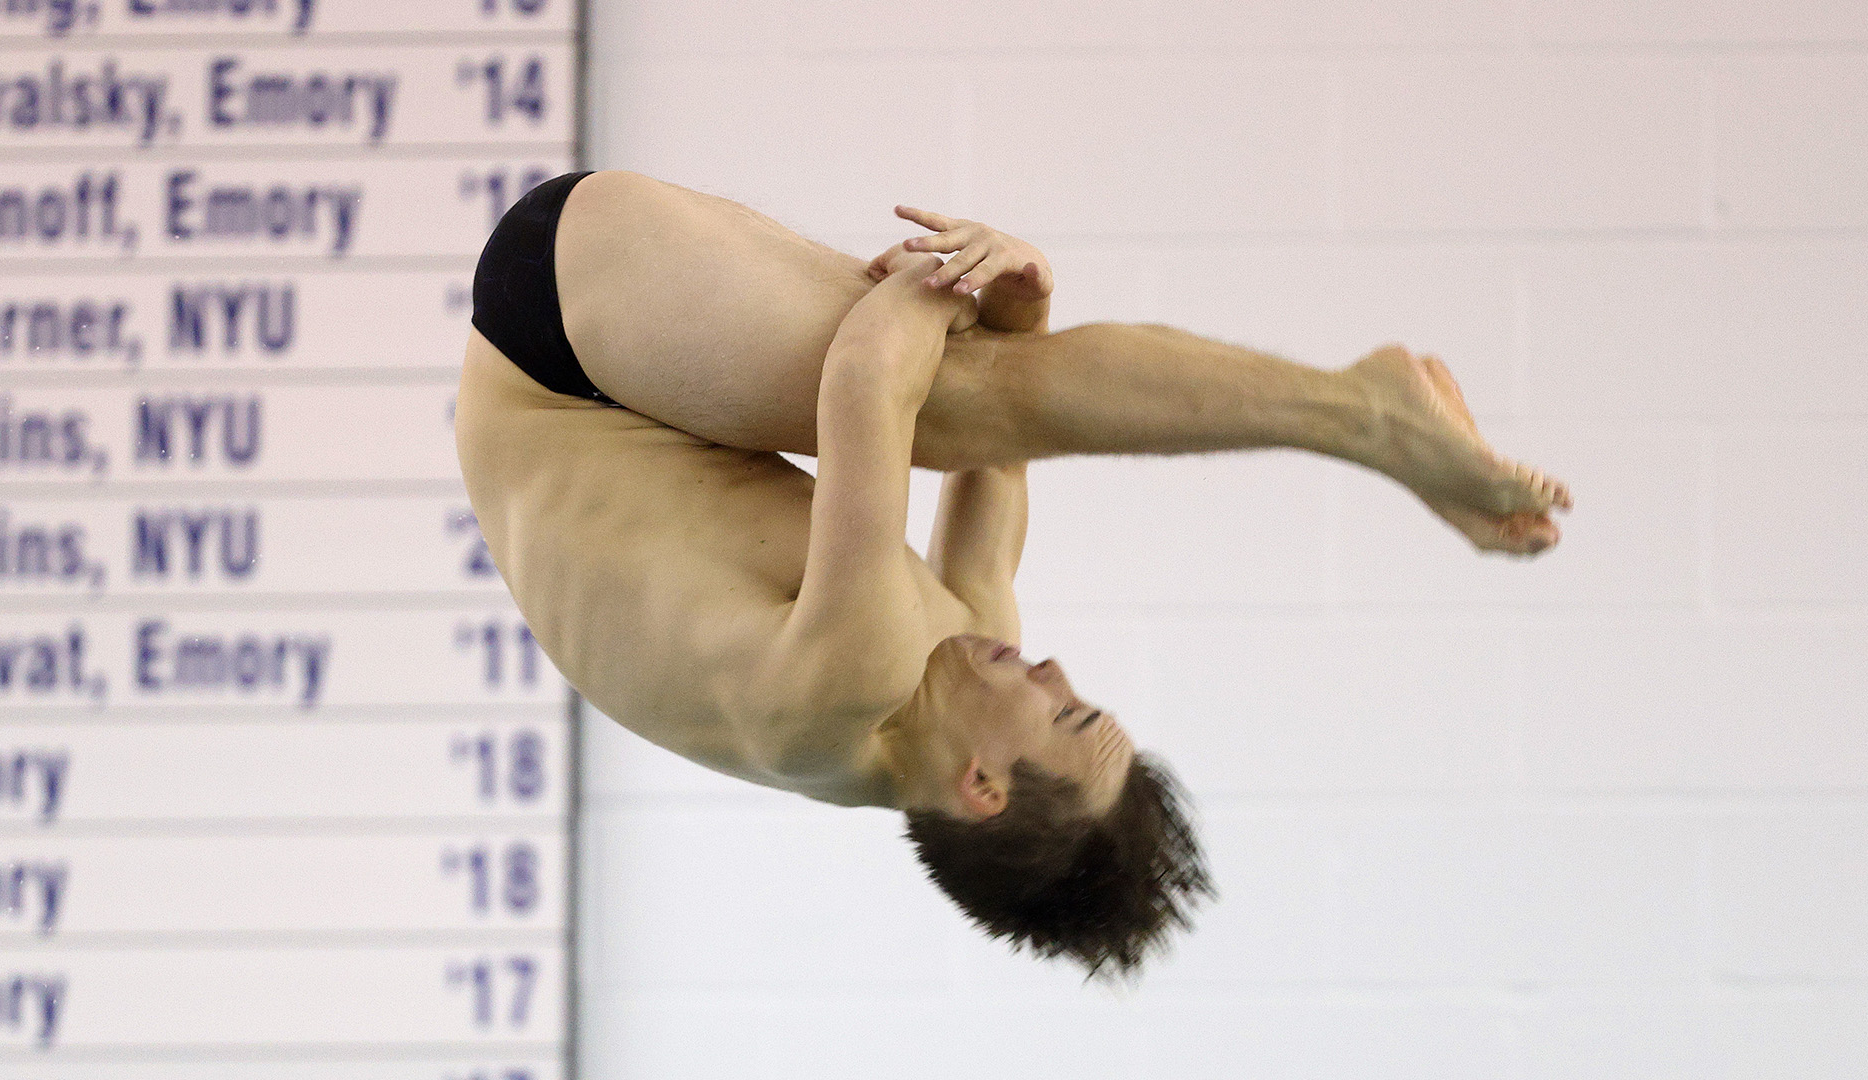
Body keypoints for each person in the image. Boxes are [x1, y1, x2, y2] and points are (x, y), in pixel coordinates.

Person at [455, 170, 1572, 978]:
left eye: (1064, 710)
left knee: (942, 396)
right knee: (973, 394)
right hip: (630, 370)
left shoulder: (839, 692)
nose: (1049, 667)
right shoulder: (952, 681)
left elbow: (867, 385)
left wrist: (952, 283)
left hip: (556, 336)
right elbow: (998, 464)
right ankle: (1358, 415)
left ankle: (1361, 413)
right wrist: (1019, 298)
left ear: (982, 787)